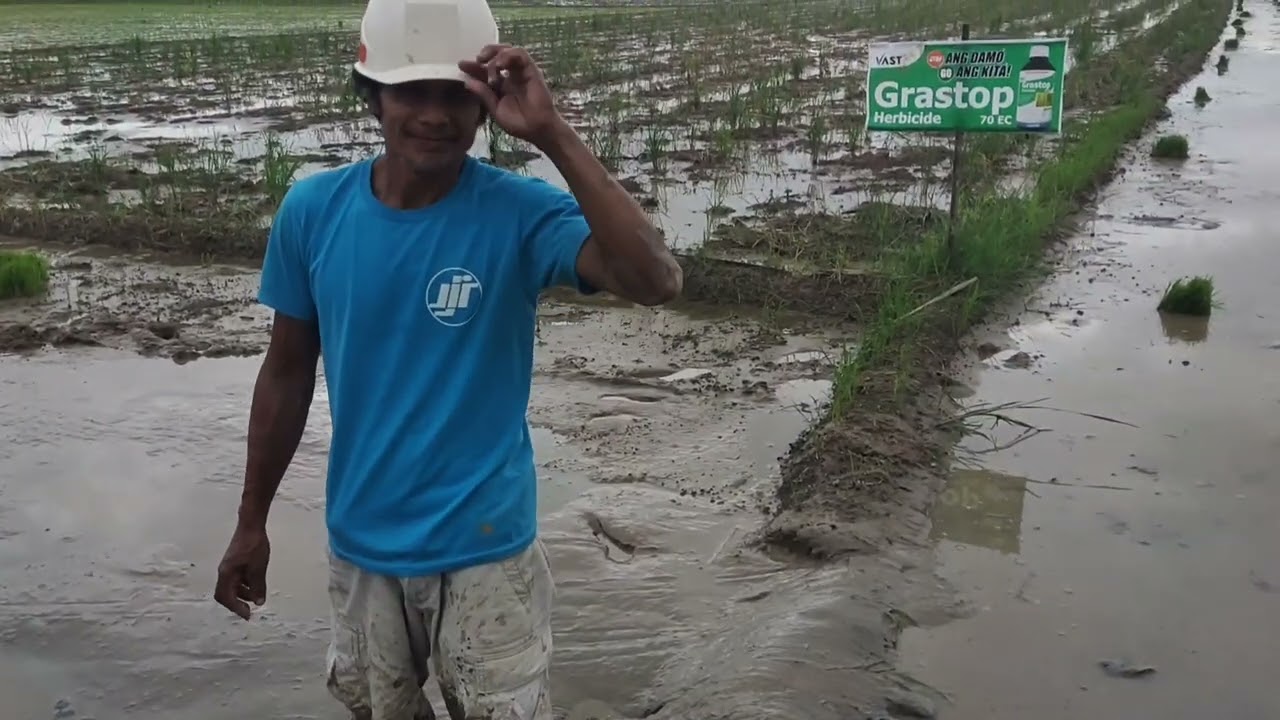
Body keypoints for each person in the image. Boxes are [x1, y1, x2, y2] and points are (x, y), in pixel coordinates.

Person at [210, 0, 682, 715]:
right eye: (411, 92)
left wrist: (552, 133)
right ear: (372, 98)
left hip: (487, 548)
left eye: (455, 95)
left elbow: (657, 281)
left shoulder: (520, 214)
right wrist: (252, 521)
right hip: (363, 545)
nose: (434, 115)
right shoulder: (313, 212)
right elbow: (285, 372)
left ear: (486, 104)